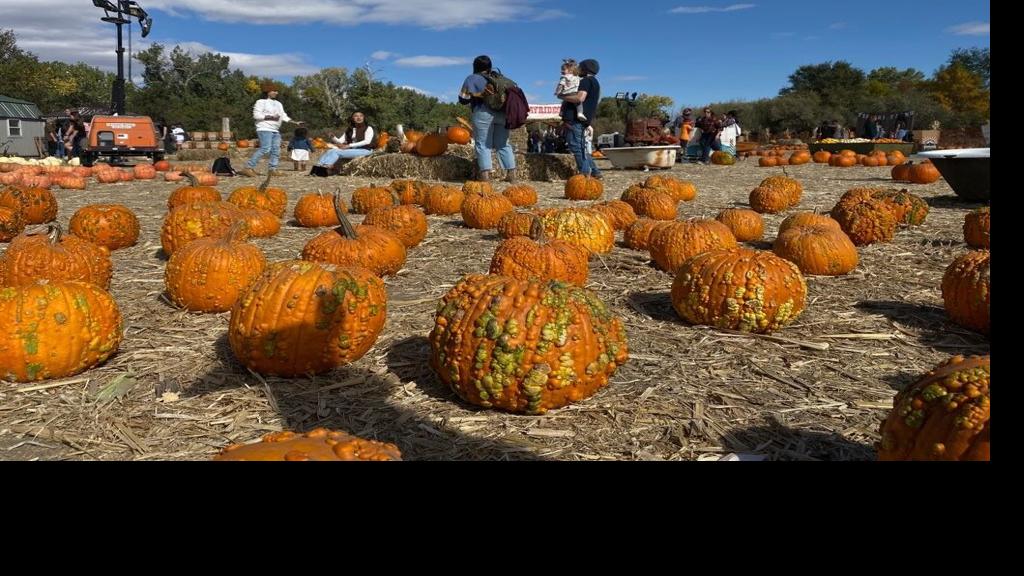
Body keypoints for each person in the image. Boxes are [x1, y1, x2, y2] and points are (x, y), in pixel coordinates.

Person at [459, 55, 517, 182]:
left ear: (475, 66)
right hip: (502, 114)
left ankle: (485, 176)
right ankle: (511, 174)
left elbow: (463, 99)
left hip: (483, 113)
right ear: (490, 66)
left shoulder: (471, 78)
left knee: (483, 144)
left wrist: (476, 95)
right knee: (503, 144)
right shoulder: (499, 78)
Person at [238, 82, 303, 177]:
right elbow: (256, 116)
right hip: (264, 129)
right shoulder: (260, 102)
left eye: (277, 91)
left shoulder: (278, 104)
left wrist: (295, 122)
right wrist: (271, 117)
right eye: (274, 91)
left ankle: (272, 170)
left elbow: (283, 115)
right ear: (267, 92)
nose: (276, 93)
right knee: (265, 148)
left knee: (276, 150)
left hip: (275, 130)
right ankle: (248, 168)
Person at [557, 58, 602, 179]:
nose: (578, 70)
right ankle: (595, 172)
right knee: (581, 147)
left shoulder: (586, 81)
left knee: (576, 146)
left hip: (576, 121)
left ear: (584, 69)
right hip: (581, 120)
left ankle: (585, 173)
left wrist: (562, 96)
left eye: (580, 68)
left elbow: (580, 98)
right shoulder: (594, 82)